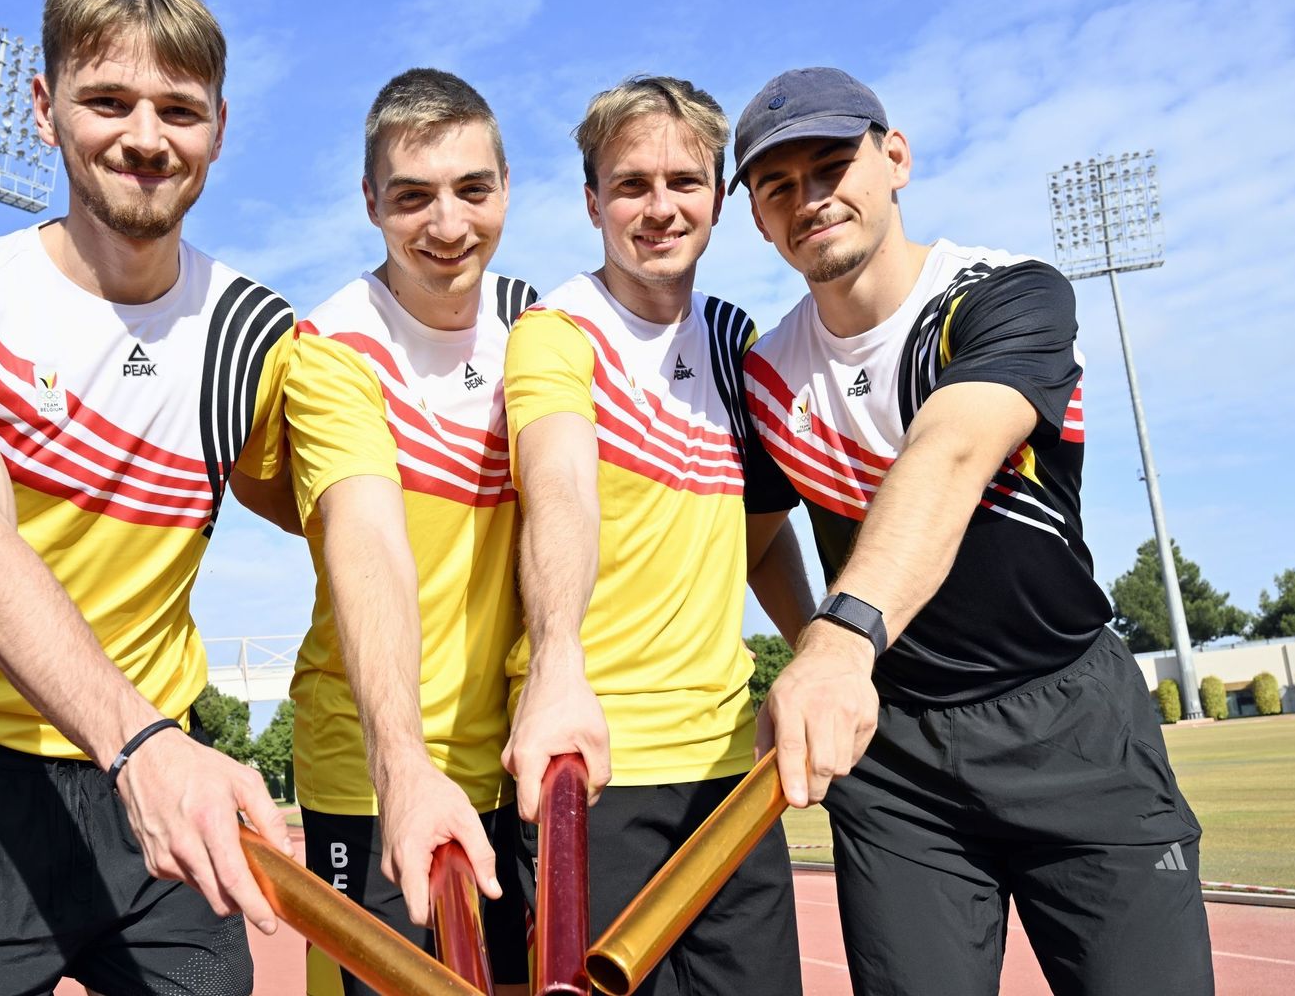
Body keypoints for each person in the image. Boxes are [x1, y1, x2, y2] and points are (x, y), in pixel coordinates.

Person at [0, 0, 297, 995]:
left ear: (218, 129)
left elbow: (346, 515)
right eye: (107, 100)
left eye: (178, 109)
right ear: (45, 110)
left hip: (161, 781)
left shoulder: (257, 337)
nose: (146, 136)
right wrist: (138, 745)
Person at [733, 66, 1216, 996]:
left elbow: (952, 453)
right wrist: (817, 650)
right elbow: (758, 540)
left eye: (834, 165)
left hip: (1069, 720)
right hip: (899, 765)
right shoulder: (764, 374)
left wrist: (837, 646)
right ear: (756, 216)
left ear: (896, 159)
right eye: (778, 186)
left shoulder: (1007, 295)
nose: (811, 199)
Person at [500, 75, 814, 996]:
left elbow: (761, 535)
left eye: (685, 181)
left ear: (719, 196)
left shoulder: (734, 340)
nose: (659, 207)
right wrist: (558, 662)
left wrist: (817, 652)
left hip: (728, 773)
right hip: (595, 765)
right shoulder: (557, 333)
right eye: (631, 184)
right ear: (593, 200)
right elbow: (560, 489)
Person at [284, 68, 534, 996]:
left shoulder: (537, 328)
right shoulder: (331, 349)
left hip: (509, 760)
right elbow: (368, 540)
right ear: (370, 203)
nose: (447, 225)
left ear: (507, 187)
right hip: (371, 764)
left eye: (473, 190)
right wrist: (403, 766)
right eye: (412, 198)